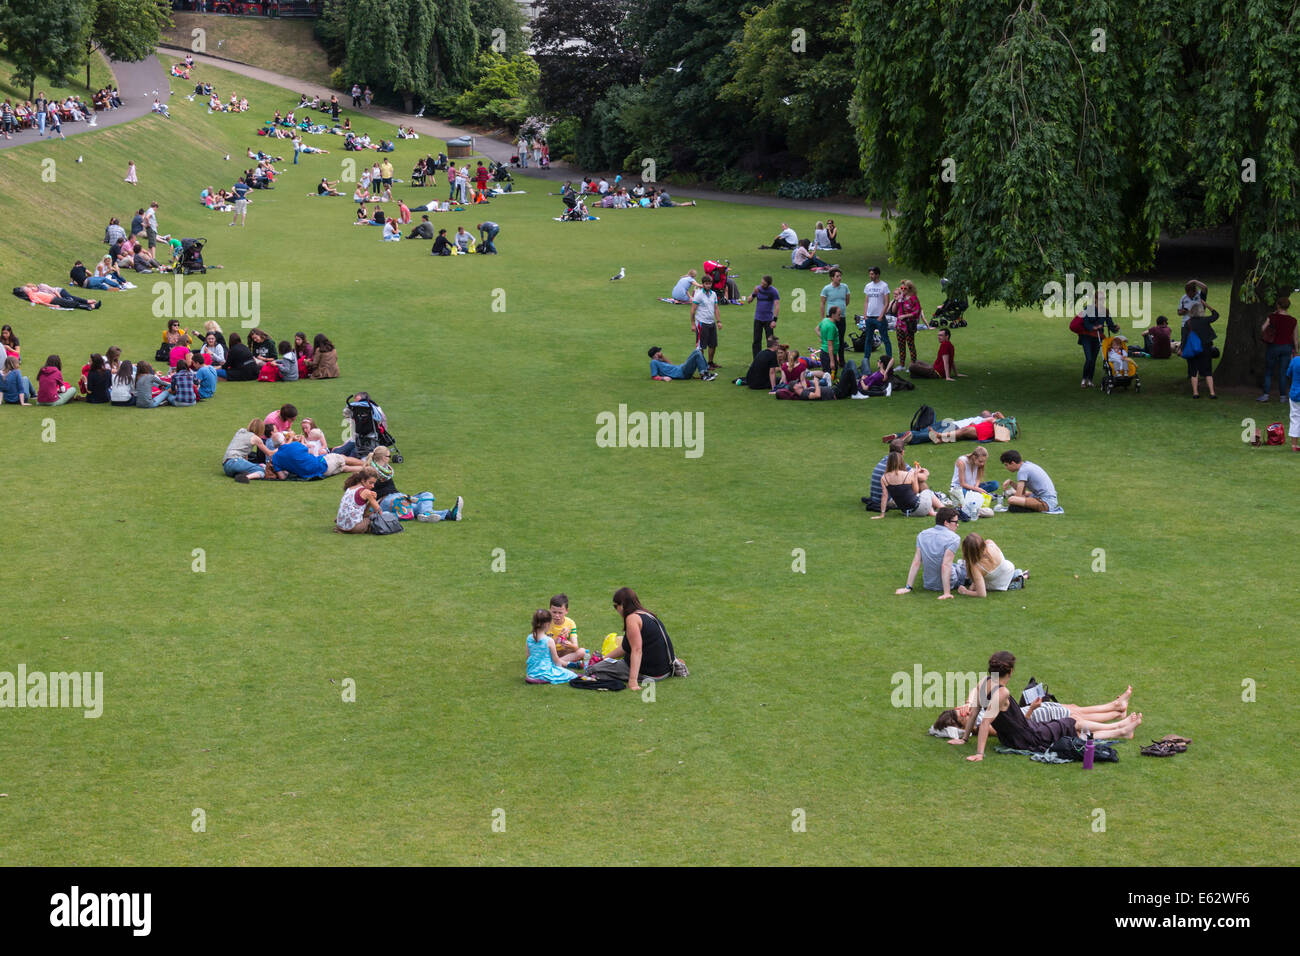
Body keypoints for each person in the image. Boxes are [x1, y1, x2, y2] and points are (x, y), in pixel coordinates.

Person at [958, 652, 1142, 761]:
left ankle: (1121, 729)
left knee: (1073, 729)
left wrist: (964, 739)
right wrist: (979, 753)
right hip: (1027, 737)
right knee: (1072, 723)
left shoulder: (983, 682)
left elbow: (975, 713)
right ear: (1011, 671)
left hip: (1018, 734)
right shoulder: (1002, 692)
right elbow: (985, 723)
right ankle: (1119, 728)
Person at [582, 588, 678, 691]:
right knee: (602, 664)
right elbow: (624, 648)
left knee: (592, 670)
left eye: (615, 606)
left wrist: (633, 681)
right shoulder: (647, 615)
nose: (616, 610)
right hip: (665, 670)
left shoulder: (632, 619)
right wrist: (604, 658)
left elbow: (637, 650)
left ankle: (627, 676)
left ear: (622, 605)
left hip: (649, 673)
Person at [896, 507, 963, 598]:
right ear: (946, 523)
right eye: (955, 522)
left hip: (928, 583)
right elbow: (945, 565)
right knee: (968, 569)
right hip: (949, 582)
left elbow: (916, 562)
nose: (957, 525)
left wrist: (908, 587)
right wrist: (946, 593)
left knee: (955, 565)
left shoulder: (922, 535)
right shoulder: (954, 538)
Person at [956, 534, 1027, 596]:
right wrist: (972, 586)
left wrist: (965, 591)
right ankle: (1018, 575)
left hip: (999, 584)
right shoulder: (990, 543)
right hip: (1009, 568)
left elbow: (982, 594)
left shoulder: (976, 567)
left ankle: (1017, 579)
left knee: (970, 580)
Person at [525, 609, 581, 684]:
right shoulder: (549, 640)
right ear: (548, 624)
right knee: (571, 675)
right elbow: (556, 661)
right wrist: (562, 670)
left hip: (531, 673)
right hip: (545, 672)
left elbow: (528, 657)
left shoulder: (529, 638)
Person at [874, 454, 940, 519]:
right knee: (927, 492)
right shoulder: (908, 475)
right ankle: (943, 509)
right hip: (919, 508)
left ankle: (931, 512)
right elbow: (915, 491)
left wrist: (882, 514)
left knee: (921, 498)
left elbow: (884, 496)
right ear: (901, 462)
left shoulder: (884, 478)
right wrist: (916, 474)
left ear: (889, 463)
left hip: (906, 512)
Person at [998, 450, 1063, 514]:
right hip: (1050, 499)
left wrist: (1011, 496)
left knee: (1011, 500)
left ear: (1013, 463)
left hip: (1046, 503)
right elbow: (1023, 492)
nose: (1006, 468)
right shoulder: (1027, 465)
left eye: (1006, 465)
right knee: (1018, 496)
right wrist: (1011, 483)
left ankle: (1031, 508)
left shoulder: (1022, 471)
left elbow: (1018, 496)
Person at [1259, 297, 1297, 403]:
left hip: (1274, 346)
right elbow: (1295, 338)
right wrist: (1296, 350)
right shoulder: (1293, 320)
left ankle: (1266, 395)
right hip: (1287, 347)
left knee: (1269, 371)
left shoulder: (1272, 317)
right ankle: (1283, 396)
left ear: (1278, 305)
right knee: (1283, 372)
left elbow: (1263, 328)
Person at [1078, 289, 1118, 388]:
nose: (1102, 300)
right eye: (1100, 299)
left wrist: (1115, 328)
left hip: (1098, 337)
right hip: (1087, 337)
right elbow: (1086, 323)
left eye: (1103, 299)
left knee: (1093, 360)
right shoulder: (1088, 308)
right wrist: (1094, 327)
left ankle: (1090, 380)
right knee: (1089, 359)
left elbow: (1110, 326)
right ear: (1095, 299)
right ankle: (1084, 379)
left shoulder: (1105, 311)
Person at [1180, 300, 1219, 398]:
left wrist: (1182, 349)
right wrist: (1206, 304)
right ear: (1201, 311)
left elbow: (1184, 338)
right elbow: (1216, 315)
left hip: (1193, 349)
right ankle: (1212, 393)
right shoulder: (1205, 320)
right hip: (1206, 348)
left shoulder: (1188, 323)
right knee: (1208, 371)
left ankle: (1195, 393)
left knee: (1194, 372)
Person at [863, 438, 908, 513]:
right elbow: (916, 476)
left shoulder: (884, 460)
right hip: (886, 500)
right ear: (902, 452)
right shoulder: (898, 463)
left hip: (875, 498)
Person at [819, 269, 849, 369]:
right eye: (837, 276)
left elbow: (847, 300)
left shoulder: (845, 287)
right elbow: (822, 303)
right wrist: (823, 318)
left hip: (841, 317)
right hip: (831, 318)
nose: (839, 278)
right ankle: (831, 359)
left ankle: (842, 361)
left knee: (840, 339)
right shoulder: (826, 289)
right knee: (830, 339)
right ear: (832, 278)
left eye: (840, 276)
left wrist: (841, 309)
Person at [544, 595, 587, 661]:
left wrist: (569, 645)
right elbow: (543, 647)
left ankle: (557, 662)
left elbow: (576, 647)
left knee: (582, 651)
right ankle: (561, 662)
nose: (557, 615)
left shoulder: (570, 623)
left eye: (560, 613)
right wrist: (558, 638)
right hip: (550, 652)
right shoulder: (545, 623)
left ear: (566, 611)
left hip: (565, 652)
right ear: (550, 610)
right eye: (554, 612)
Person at [747, 275, 780, 357]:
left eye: (764, 284)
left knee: (770, 342)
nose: (762, 285)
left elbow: (777, 306)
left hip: (768, 320)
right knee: (756, 341)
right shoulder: (758, 289)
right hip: (758, 318)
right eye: (761, 283)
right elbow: (749, 301)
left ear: (769, 284)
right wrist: (754, 294)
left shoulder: (773, 291)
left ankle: (771, 359)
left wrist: (774, 320)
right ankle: (757, 359)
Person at [690, 281, 720, 369]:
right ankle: (703, 365)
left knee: (713, 344)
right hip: (701, 323)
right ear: (703, 284)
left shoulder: (713, 294)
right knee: (700, 346)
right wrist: (693, 324)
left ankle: (710, 363)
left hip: (711, 322)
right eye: (706, 284)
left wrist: (718, 321)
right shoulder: (699, 295)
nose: (708, 285)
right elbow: (692, 310)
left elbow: (716, 308)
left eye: (710, 283)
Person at [893, 280, 922, 366]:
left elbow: (917, 312)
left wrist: (905, 316)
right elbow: (893, 311)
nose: (902, 290)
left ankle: (913, 364)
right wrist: (896, 300)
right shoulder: (901, 298)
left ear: (909, 288)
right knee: (901, 345)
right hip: (899, 325)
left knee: (911, 345)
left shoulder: (913, 299)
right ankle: (902, 365)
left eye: (904, 288)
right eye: (901, 288)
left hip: (908, 326)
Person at [647, 345, 714, 381]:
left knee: (697, 352)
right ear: (655, 355)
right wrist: (663, 378)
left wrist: (663, 357)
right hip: (682, 372)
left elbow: (671, 365)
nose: (661, 353)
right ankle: (704, 374)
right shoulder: (653, 362)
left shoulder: (660, 361)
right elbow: (654, 376)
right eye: (659, 352)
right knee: (697, 352)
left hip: (682, 369)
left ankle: (705, 373)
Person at [817, 309, 841, 378]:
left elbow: (816, 329)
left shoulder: (825, 320)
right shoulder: (832, 327)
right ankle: (810, 373)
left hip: (825, 353)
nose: (840, 316)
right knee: (828, 376)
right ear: (833, 315)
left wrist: (823, 338)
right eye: (838, 315)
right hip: (828, 354)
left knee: (829, 374)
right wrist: (832, 362)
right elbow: (830, 346)